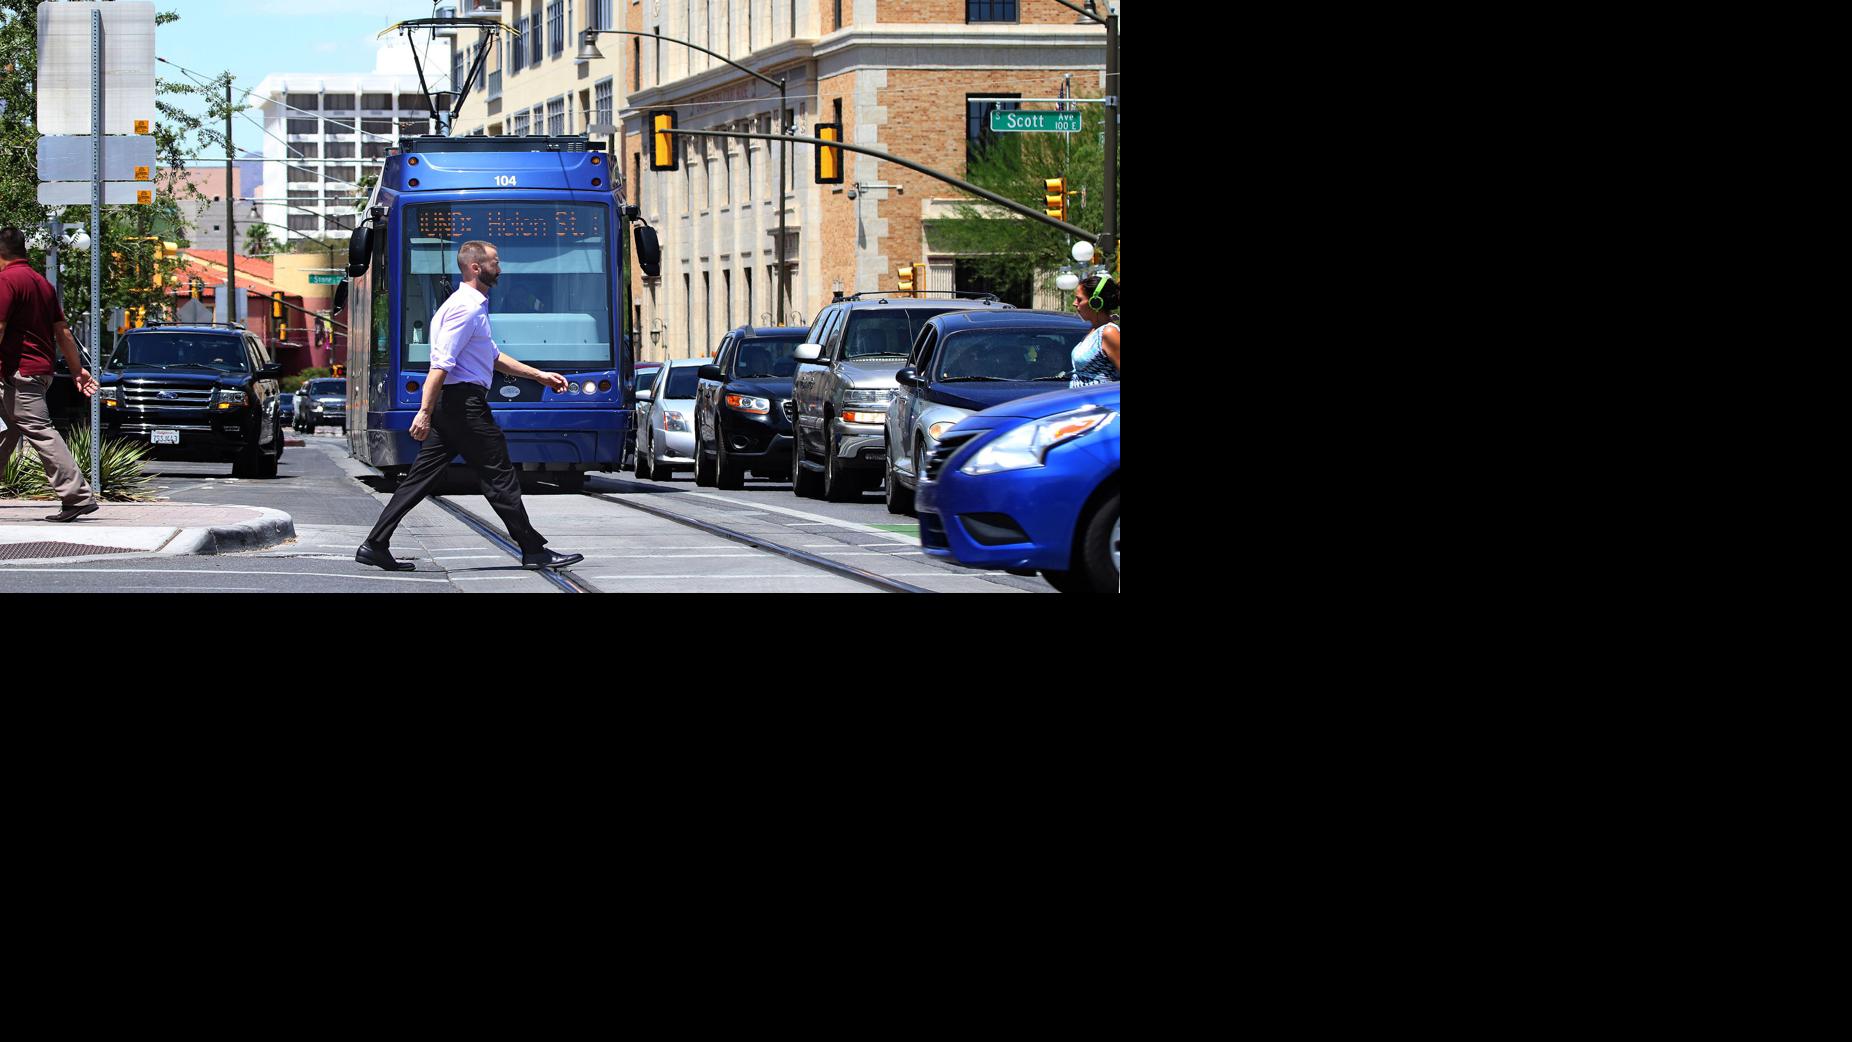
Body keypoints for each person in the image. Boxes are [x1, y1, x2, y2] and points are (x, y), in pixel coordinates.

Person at [354, 240, 583, 572]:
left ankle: (375, 544)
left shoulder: (469, 305)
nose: (500, 267)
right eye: (495, 261)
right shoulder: (466, 308)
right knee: (499, 474)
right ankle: (533, 550)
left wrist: (540, 376)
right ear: (476, 267)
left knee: (420, 479)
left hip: (456, 405)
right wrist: (424, 412)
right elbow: (441, 363)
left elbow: (493, 357)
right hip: (464, 406)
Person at [0, 227, 102, 522]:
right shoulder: (41, 283)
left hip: (21, 373)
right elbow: (63, 332)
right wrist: (76, 371)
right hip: (35, 371)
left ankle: (77, 496)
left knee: (41, 432)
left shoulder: (7, 281)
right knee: (7, 429)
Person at [1069, 273, 1120, 389]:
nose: (1074, 303)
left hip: (1100, 404)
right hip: (1082, 403)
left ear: (1095, 302)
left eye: (1079, 299)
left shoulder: (1109, 332)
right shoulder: (1093, 331)